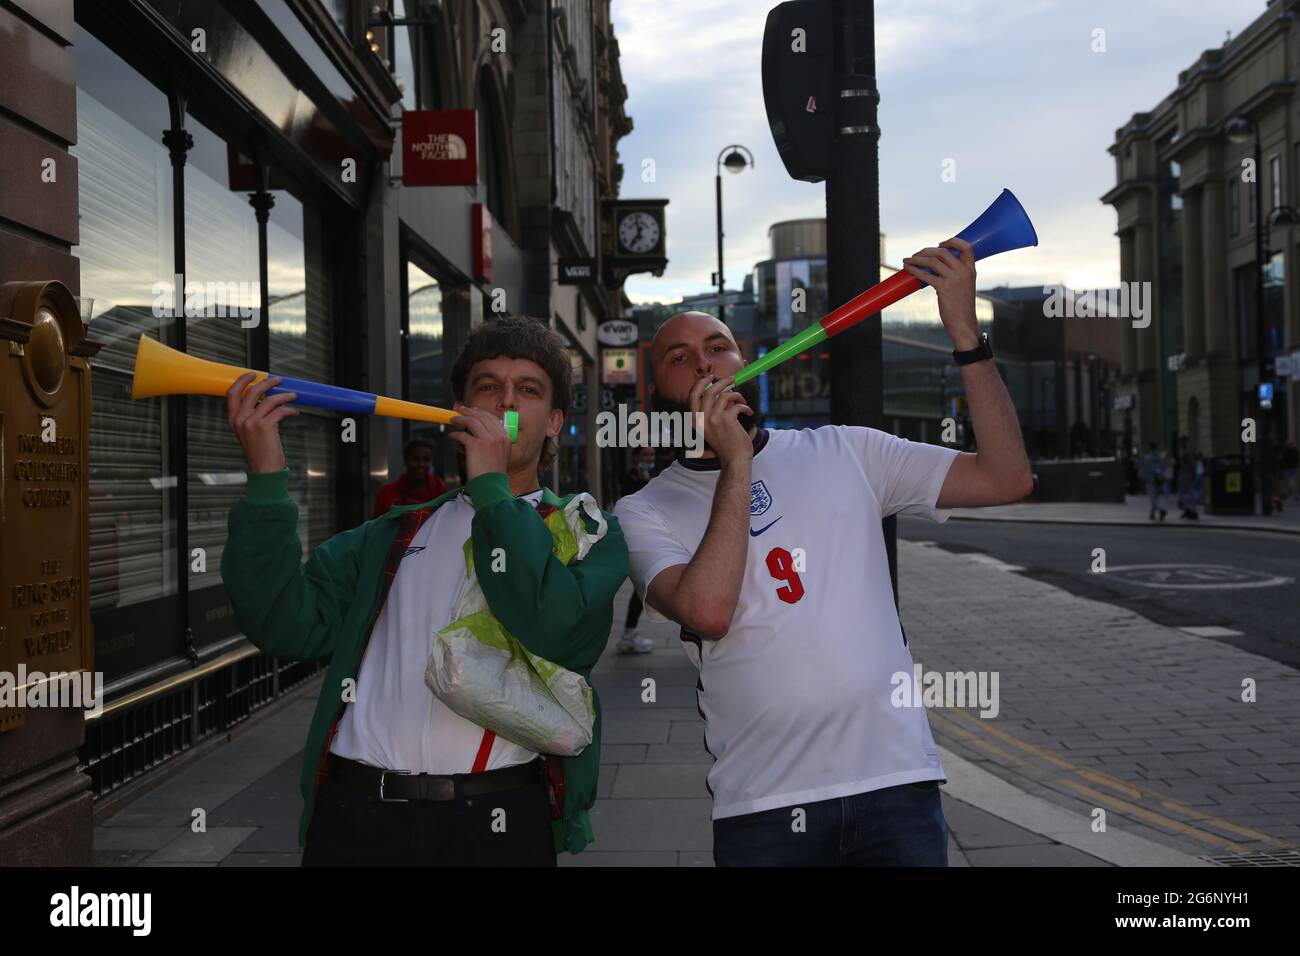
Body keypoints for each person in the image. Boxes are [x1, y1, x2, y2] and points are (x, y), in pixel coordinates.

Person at [614, 237, 1033, 866]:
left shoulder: (846, 451)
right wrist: (734, 462)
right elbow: (707, 611)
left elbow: (1007, 478)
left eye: (717, 347)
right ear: (657, 389)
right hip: (763, 804)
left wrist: (967, 335)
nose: (703, 364)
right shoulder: (643, 508)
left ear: (745, 360)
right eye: (679, 357)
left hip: (895, 785)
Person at [220, 315, 628, 866]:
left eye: (527, 390)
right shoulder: (391, 533)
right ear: (459, 413)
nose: (506, 400)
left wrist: (490, 488)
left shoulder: (588, 532)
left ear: (554, 421)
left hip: (497, 822)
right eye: (488, 387)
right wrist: (267, 480)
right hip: (357, 817)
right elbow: (281, 622)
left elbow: (560, 629)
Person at [614, 446, 658, 654]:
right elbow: (633, 503)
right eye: (645, 455)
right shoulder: (630, 477)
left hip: (648, 538)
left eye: (651, 455)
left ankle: (628, 634)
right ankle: (628, 635)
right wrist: (644, 481)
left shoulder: (657, 476)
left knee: (641, 589)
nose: (649, 459)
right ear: (636, 458)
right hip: (633, 539)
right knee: (640, 588)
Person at [371, 437, 448, 518]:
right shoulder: (387, 493)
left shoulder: (441, 492)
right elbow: (376, 527)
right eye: (415, 459)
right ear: (405, 461)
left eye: (426, 460)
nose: (421, 464)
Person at [1141, 441, 1167, 521]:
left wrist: (1144, 478)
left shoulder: (1147, 458)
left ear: (1150, 448)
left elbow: (1145, 470)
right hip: (1158, 480)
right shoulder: (1160, 457)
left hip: (1150, 480)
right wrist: (1162, 477)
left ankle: (1161, 510)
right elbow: (1163, 468)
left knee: (1153, 498)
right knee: (1156, 497)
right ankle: (1152, 514)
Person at [1175, 435, 1198, 520]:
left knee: (1188, 494)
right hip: (1183, 476)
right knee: (1183, 495)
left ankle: (1192, 511)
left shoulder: (1188, 451)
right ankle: (1187, 510)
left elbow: (1192, 464)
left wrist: (1193, 474)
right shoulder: (1183, 451)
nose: (1180, 443)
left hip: (1188, 476)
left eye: (1181, 442)